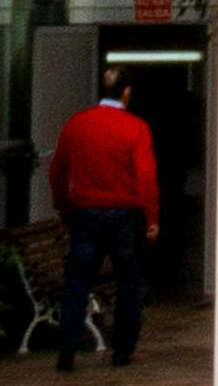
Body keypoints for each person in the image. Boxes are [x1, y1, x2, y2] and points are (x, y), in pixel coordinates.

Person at [48, 86, 157, 370]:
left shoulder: (77, 124)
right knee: (128, 282)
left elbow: (57, 170)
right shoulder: (135, 127)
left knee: (77, 282)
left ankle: (68, 347)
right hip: (124, 214)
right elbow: (145, 176)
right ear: (127, 92)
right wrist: (152, 217)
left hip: (85, 212)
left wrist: (63, 207)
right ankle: (122, 350)